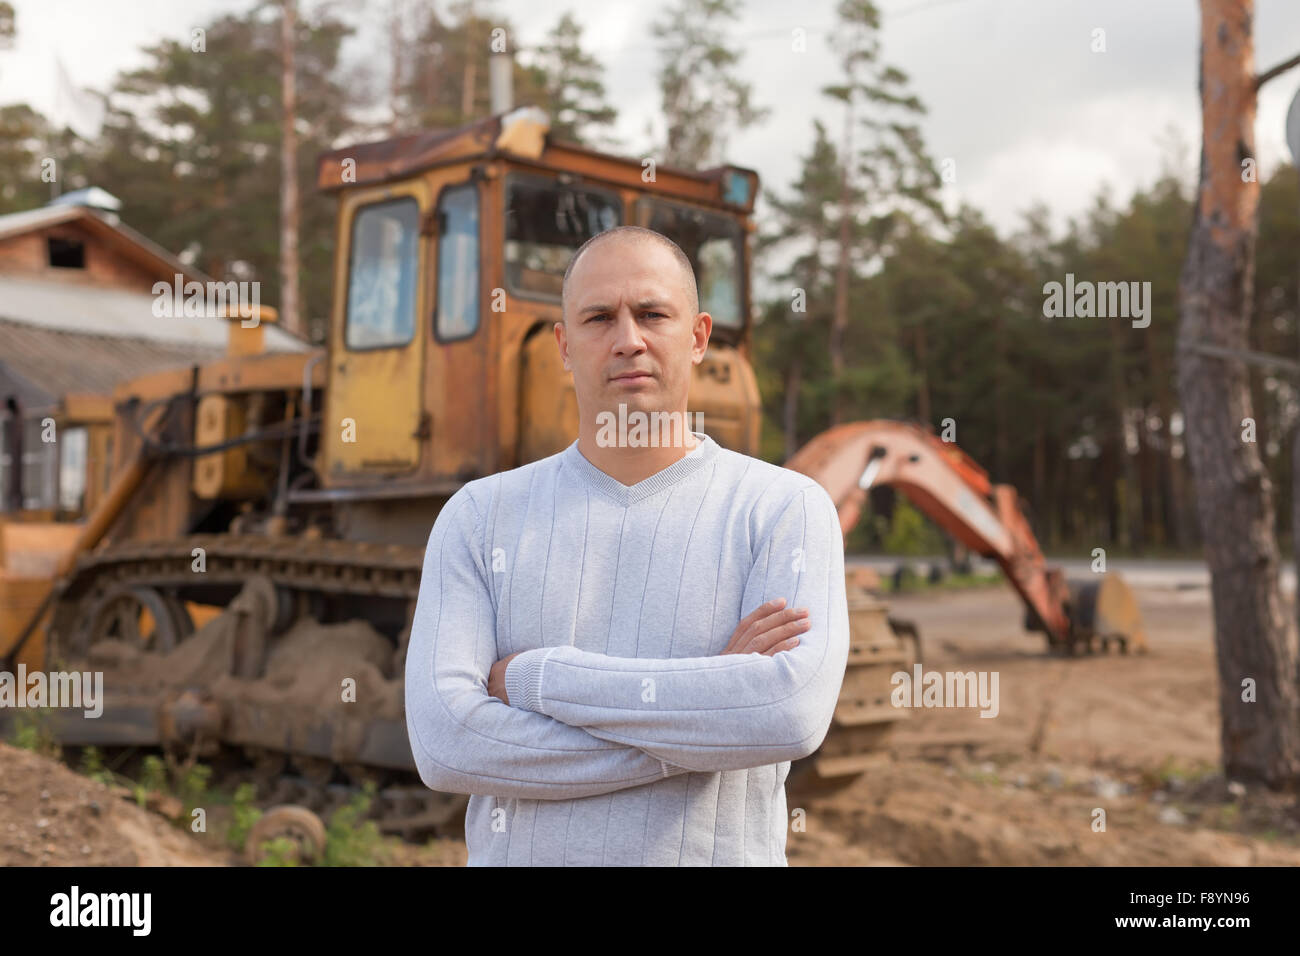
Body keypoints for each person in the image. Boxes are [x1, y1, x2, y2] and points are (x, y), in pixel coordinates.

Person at [404, 225, 849, 866]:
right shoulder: (479, 517)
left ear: (697, 336)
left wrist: (533, 679)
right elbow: (447, 745)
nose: (628, 340)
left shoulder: (783, 509)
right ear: (564, 344)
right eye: (598, 317)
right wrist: (709, 714)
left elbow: (786, 716)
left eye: (651, 314)